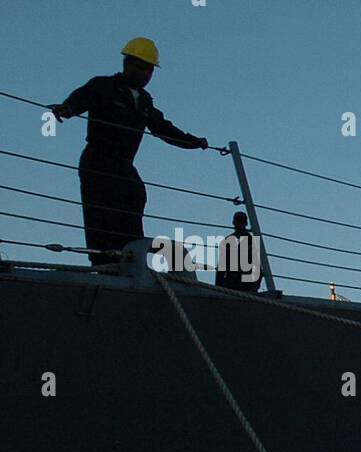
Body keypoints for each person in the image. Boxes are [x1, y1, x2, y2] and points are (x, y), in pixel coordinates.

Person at [51, 38, 209, 264]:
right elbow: (81, 98)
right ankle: (104, 261)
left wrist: (193, 142)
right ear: (128, 64)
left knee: (135, 195)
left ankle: (130, 254)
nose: (145, 75)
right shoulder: (102, 86)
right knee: (100, 210)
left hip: (124, 164)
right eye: (141, 67)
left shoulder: (144, 101)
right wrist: (68, 109)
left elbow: (163, 128)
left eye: (149, 70)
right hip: (98, 159)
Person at [214, 211, 261, 292]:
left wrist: (254, 286)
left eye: (241, 221)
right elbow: (221, 267)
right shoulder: (228, 241)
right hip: (231, 283)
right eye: (238, 221)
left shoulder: (250, 241)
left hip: (245, 284)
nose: (239, 224)